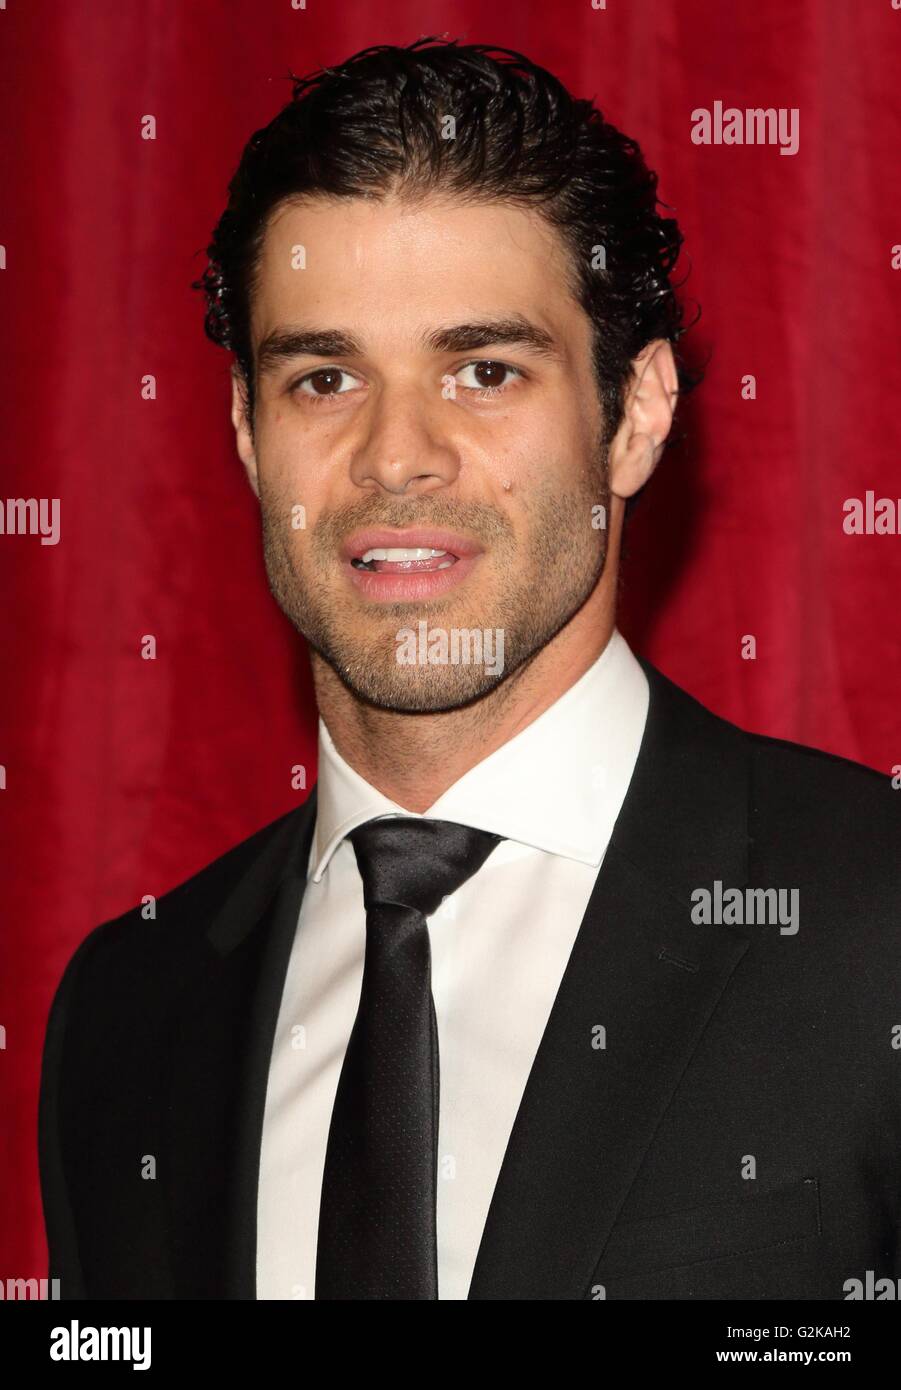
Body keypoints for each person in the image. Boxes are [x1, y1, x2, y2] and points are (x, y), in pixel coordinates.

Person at [39, 37, 899, 1301]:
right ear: (244, 430)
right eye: (324, 377)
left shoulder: (872, 922)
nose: (397, 455)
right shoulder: (129, 1008)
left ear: (636, 413)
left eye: (484, 371)